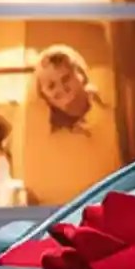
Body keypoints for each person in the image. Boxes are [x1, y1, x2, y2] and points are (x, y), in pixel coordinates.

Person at [21, 44, 122, 206]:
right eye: (51, 86)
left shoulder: (109, 116)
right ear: (43, 94)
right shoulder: (45, 135)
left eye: (66, 78)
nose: (61, 88)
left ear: (81, 74)